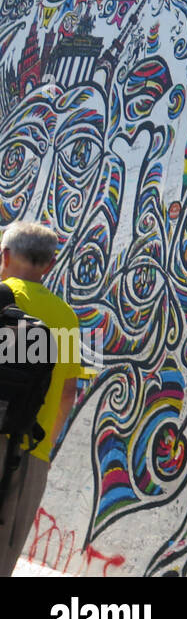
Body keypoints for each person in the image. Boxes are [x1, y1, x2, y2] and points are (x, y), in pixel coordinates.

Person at [0, 221, 80, 577]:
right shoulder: (66, 317)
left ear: (4, 256)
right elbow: (66, 393)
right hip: (30, 448)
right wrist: (45, 451)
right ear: (50, 264)